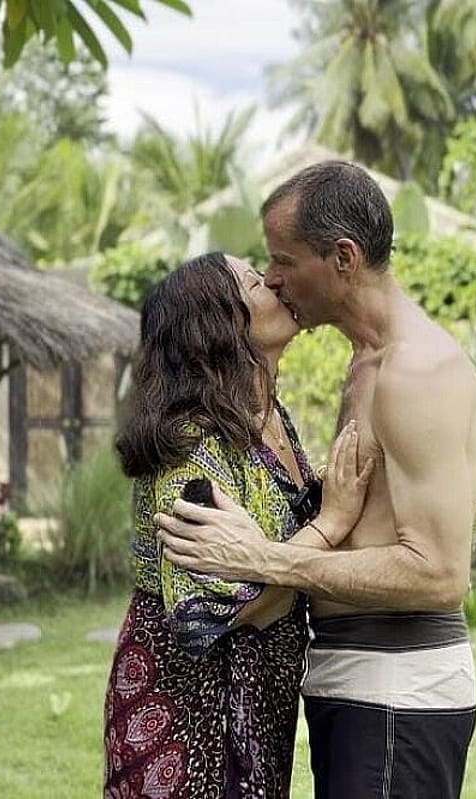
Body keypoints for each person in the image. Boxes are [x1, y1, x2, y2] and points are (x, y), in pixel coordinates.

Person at [156, 161, 476, 799]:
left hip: (398, 695)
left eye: (282, 260)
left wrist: (266, 559)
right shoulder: (365, 363)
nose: (273, 279)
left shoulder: (417, 374)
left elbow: (440, 572)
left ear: (343, 257)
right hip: (358, 686)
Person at [102, 251, 373, 798]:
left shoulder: (269, 417)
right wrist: (332, 521)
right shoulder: (192, 450)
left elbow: (271, 559)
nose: (275, 282)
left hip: (255, 702)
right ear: (222, 323)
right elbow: (212, 610)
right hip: (187, 715)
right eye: (255, 281)